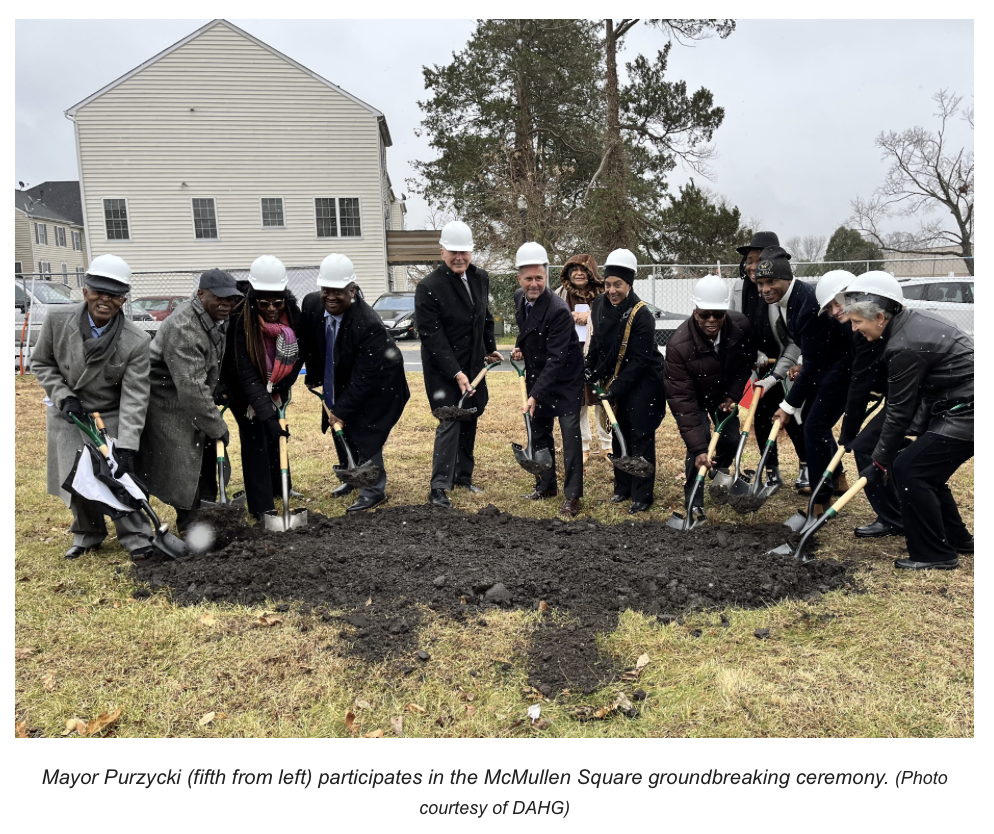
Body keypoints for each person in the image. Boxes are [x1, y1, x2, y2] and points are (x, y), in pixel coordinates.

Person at [843, 273, 973, 570]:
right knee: (924, 469)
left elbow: (899, 411)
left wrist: (878, 461)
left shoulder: (904, 345)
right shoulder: (909, 322)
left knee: (911, 469)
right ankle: (958, 539)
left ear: (879, 317)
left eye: (857, 322)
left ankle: (934, 554)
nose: (854, 329)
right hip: (957, 404)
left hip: (968, 409)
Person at [32, 254, 153, 559]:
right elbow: (41, 362)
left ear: (123, 300)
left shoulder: (136, 341)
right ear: (85, 292)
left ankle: (137, 536)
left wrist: (126, 445)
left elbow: (135, 395)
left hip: (108, 414)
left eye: (113, 295)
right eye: (98, 291)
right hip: (69, 414)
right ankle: (87, 533)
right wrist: (63, 396)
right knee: (76, 475)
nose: (104, 300)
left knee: (118, 477)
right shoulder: (57, 321)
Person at [299, 254, 410, 512]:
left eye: (338, 291)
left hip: (382, 381)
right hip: (341, 373)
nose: (331, 297)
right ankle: (351, 477)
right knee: (341, 426)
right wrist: (315, 378)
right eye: (326, 290)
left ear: (352, 289)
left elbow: (365, 379)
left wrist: (341, 411)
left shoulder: (367, 323)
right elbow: (309, 343)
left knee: (365, 430)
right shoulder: (313, 305)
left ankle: (373, 489)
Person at [136, 269, 241, 533]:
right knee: (182, 461)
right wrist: (217, 426)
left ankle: (208, 512)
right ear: (201, 294)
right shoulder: (185, 327)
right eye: (220, 298)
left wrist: (218, 387)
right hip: (166, 401)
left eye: (231, 299)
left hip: (190, 393)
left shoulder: (216, 317)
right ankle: (189, 522)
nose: (226, 304)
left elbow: (210, 361)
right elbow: (191, 387)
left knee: (207, 455)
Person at [756, 247, 852, 520]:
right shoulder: (787, 301)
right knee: (814, 421)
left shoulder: (806, 303)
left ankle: (820, 502)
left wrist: (786, 406)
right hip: (827, 365)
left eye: (771, 282)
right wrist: (802, 363)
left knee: (814, 426)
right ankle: (839, 479)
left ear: (787, 278)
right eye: (761, 283)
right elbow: (812, 352)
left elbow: (815, 366)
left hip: (844, 368)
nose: (765, 289)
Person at [416, 220, 502, 508]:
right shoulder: (429, 287)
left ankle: (463, 477)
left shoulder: (480, 278)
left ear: (470, 252)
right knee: (450, 420)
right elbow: (432, 337)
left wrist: (489, 349)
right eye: (453, 252)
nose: (459, 257)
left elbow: (484, 317)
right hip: (444, 369)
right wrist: (455, 372)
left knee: (470, 417)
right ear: (442, 252)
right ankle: (438, 487)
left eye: (464, 252)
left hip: (474, 364)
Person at [220, 255, 304, 522]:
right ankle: (261, 507)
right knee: (256, 437)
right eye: (263, 303)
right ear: (253, 298)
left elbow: (300, 353)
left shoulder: (291, 311)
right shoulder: (239, 318)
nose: (271, 309)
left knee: (277, 434)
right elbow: (244, 373)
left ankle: (281, 488)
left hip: (277, 383)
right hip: (242, 389)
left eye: (276, 302)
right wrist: (265, 413)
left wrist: (281, 385)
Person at [665, 274, 757, 518]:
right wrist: (698, 449)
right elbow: (682, 402)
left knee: (731, 442)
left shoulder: (740, 327)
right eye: (705, 314)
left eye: (718, 313)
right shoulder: (678, 346)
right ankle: (694, 499)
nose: (712, 320)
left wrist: (732, 395)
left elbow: (744, 365)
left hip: (722, 393)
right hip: (693, 397)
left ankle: (719, 472)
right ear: (695, 311)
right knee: (700, 442)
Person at [818, 271, 901, 537]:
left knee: (868, 448)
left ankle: (894, 518)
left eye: (837, 304)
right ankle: (899, 514)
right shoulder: (866, 327)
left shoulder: (873, 327)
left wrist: (848, 433)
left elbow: (860, 384)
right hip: (905, 395)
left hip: (916, 398)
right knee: (881, 449)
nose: (835, 312)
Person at [584, 248, 666, 513]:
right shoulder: (598, 305)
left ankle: (642, 494)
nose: (612, 290)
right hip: (616, 378)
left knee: (639, 435)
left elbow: (639, 361)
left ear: (629, 284)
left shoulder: (641, 314)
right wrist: (590, 369)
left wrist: (615, 390)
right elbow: (597, 343)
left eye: (617, 284)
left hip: (643, 381)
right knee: (618, 435)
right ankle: (622, 488)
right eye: (607, 284)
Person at [510, 242, 585, 518]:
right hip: (538, 375)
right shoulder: (519, 297)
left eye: (539, 278)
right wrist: (520, 346)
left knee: (570, 436)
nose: (533, 284)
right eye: (528, 278)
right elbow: (529, 331)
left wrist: (534, 395)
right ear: (519, 279)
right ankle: (546, 486)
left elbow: (556, 359)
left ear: (546, 277)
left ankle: (573, 496)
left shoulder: (558, 311)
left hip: (565, 379)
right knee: (540, 431)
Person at [731, 231, 808, 493]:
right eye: (750, 260)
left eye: (759, 259)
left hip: (786, 360)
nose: (754, 266)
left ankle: (807, 467)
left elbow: (794, 336)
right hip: (757, 363)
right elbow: (735, 327)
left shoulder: (783, 287)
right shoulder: (740, 288)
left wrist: (783, 367)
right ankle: (771, 470)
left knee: (793, 415)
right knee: (761, 416)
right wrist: (752, 355)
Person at [555, 254, 613, 464]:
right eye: (574, 270)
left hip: (599, 355)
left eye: (583, 269)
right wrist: (568, 317)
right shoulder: (559, 295)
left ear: (591, 273)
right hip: (571, 356)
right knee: (577, 402)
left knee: (602, 401)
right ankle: (583, 445)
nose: (578, 273)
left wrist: (591, 316)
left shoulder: (604, 296)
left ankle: (607, 445)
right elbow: (553, 319)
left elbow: (611, 318)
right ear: (567, 273)